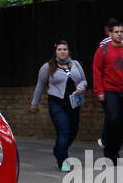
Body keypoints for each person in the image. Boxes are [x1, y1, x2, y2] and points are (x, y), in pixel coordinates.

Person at [30, 40, 87, 171]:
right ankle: (63, 161)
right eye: (59, 49)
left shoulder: (76, 64)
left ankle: (58, 149)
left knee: (73, 131)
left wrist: (81, 86)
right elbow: (40, 86)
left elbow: (84, 80)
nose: (62, 52)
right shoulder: (48, 67)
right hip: (57, 103)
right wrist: (34, 104)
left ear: (69, 51)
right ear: (55, 52)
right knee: (64, 131)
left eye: (65, 49)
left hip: (75, 101)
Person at [93, 20, 123, 163]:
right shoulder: (103, 50)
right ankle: (109, 151)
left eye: (121, 31)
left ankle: (114, 152)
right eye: (116, 32)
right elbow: (97, 71)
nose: (120, 34)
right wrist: (99, 91)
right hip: (109, 90)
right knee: (113, 118)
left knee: (122, 123)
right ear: (110, 33)